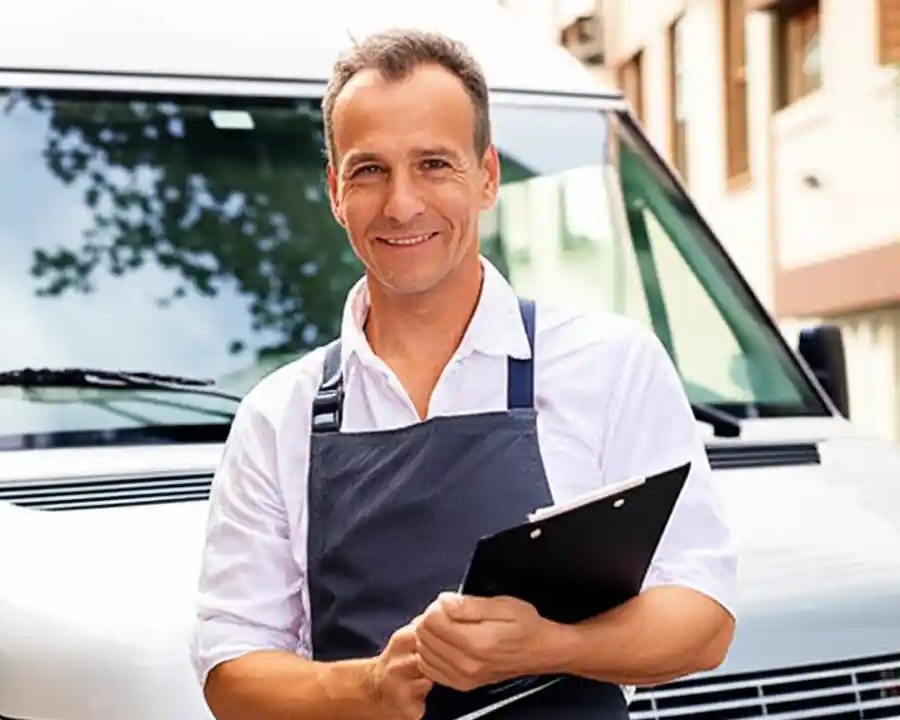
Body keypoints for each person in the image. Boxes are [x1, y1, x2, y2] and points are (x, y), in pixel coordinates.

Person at [190, 27, 737, 720]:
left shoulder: (610, 366)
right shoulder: (279, 416)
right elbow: (231, 670)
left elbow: (704, 619)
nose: (401, 204)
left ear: (487, 177)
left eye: (433, 165)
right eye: (369, 171)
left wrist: (548, 644)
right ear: (334, 191)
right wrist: (368, 689)